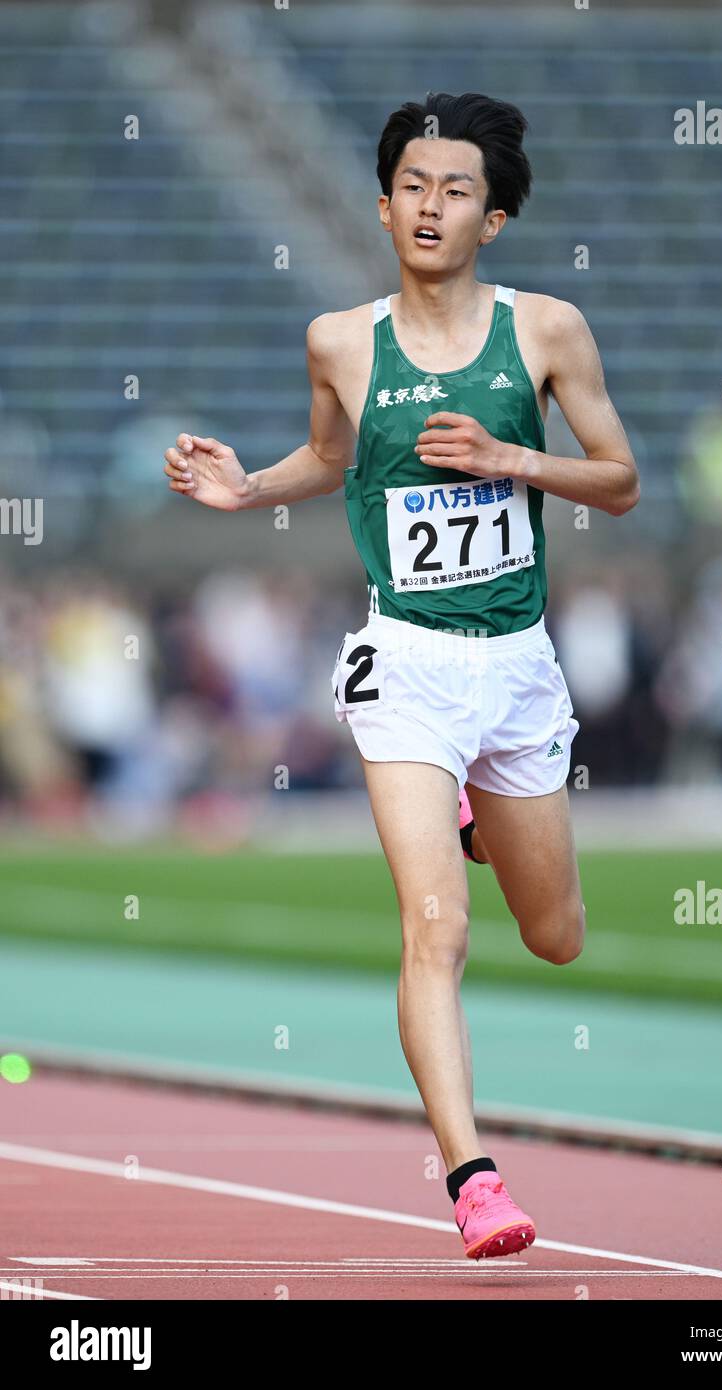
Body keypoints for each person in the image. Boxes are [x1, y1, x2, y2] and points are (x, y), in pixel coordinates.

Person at [163, 91, 639, 1260]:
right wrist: (248, 487)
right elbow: (328, 457)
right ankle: (473, 1179)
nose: (430, 206)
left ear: (494, 218)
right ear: (383, 207)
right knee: (436, 930)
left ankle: (480, 814)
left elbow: (619, 478)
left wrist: (510, 455)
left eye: (455, 190)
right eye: (412, 187)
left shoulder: (546, 331)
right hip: (406, 664)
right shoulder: (339, 340)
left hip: (515, 666)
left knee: (556, 934)